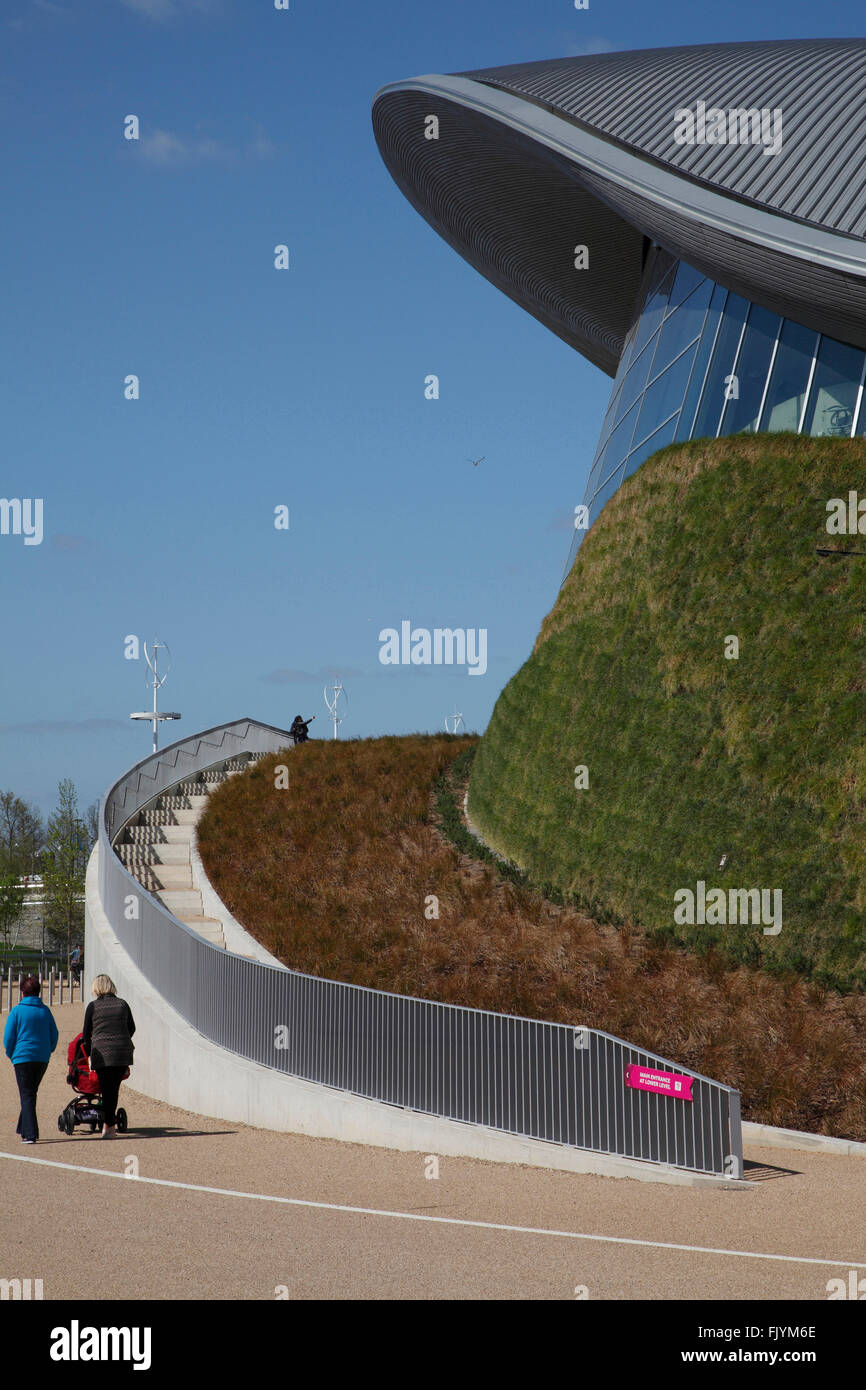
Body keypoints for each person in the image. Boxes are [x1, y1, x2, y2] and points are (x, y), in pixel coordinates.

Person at [3, 975, 59, 1144]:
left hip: (22, 1056)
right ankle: (23, 1127)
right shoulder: (45, 1010)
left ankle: (30, 1133)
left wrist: (11, 1053)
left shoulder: (17, 1011)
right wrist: (48, 1049)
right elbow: (54, 1034)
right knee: (30, 1093)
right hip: (41, 1057)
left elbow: (8, 1037)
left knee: (27, 1094)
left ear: (22, 992)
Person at [81, 975, 135, 1140]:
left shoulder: (93, 1006)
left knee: (106, 1090)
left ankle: (109, 1127)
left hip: (102, 1054)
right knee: (113, 1090)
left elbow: (85, 1035)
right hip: (121, 1053)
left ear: (97, 988)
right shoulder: (122, 1004)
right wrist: (121, 1039)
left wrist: (90, 1052)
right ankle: (108, 1126)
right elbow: (132, 1028)